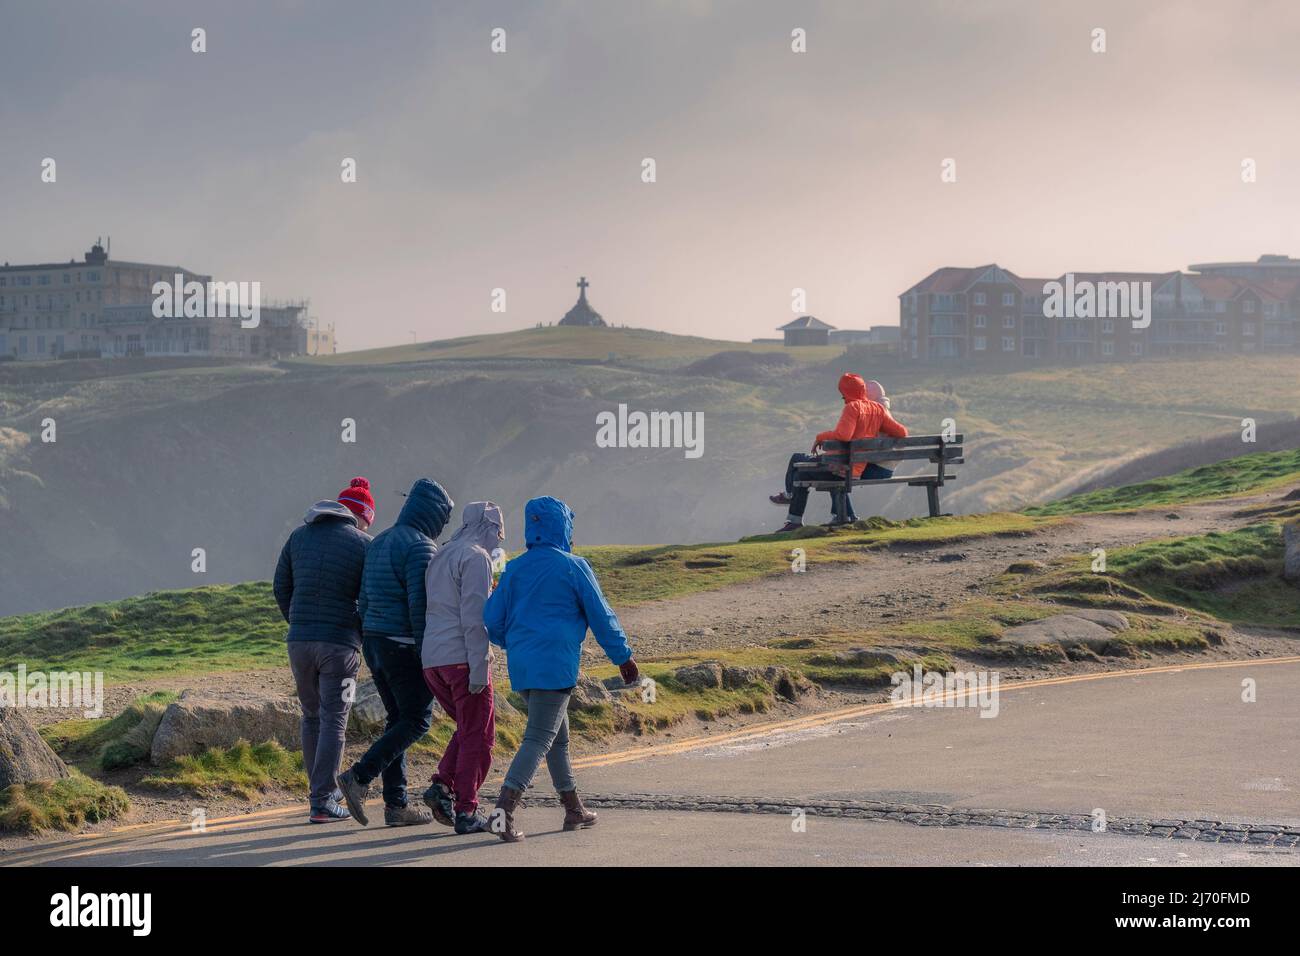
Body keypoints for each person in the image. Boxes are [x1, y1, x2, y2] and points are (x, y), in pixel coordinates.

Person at [483, 496, 638, 843]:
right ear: (563, 527)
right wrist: (623, 657)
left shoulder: (515, 568)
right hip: (555, 665)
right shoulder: (573, 565)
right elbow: (601, 616)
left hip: (522, 667)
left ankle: (573, 808)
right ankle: (503, 811)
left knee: (557, 737)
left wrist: (516, 643)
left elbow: (491, 619)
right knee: (539, 737)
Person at [337, 478, 453, 827]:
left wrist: (369, 635)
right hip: (403, 644)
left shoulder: (381, 540)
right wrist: (425, 651)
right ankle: (359, 777)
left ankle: (396, 806)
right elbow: (421, 605)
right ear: (434, 516)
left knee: (397, 719)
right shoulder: (421, 547)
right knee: (417, 720)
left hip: (374, 640)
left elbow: (365, 598)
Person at [274, 477, 375, 824]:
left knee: (312, 716)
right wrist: (358, 632)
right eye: (368, 520)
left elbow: (281, 586)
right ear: (358, 515)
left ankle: (322, 792)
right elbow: (370, 598)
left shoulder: (298, 537)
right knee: (336, 719)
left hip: (299, 644)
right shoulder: (363, 544)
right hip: (341, 647)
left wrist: (297, 621)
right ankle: (322, 801)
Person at [420, 501, 505, 835]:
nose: (499, 539)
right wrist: (479, 667)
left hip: (433, 659)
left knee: (468, 728)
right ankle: (466, 810)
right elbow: (474, 618)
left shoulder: (441, 555)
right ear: (487, 527)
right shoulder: (476, 557)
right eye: (498, 530)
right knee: (480, 737)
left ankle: (442, 784)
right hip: (461, 657)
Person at [769, 372, 908, 532]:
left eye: (843, 394)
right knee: (804, 473)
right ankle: (838, 516)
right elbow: (902, 432)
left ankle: (793, 512)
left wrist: (821, 436)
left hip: (848, 468)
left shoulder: (854, 407)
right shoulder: (879, 410)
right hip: (854, 465)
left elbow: (844, 435)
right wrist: (870, 444)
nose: (843, 398)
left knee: (800, 467)